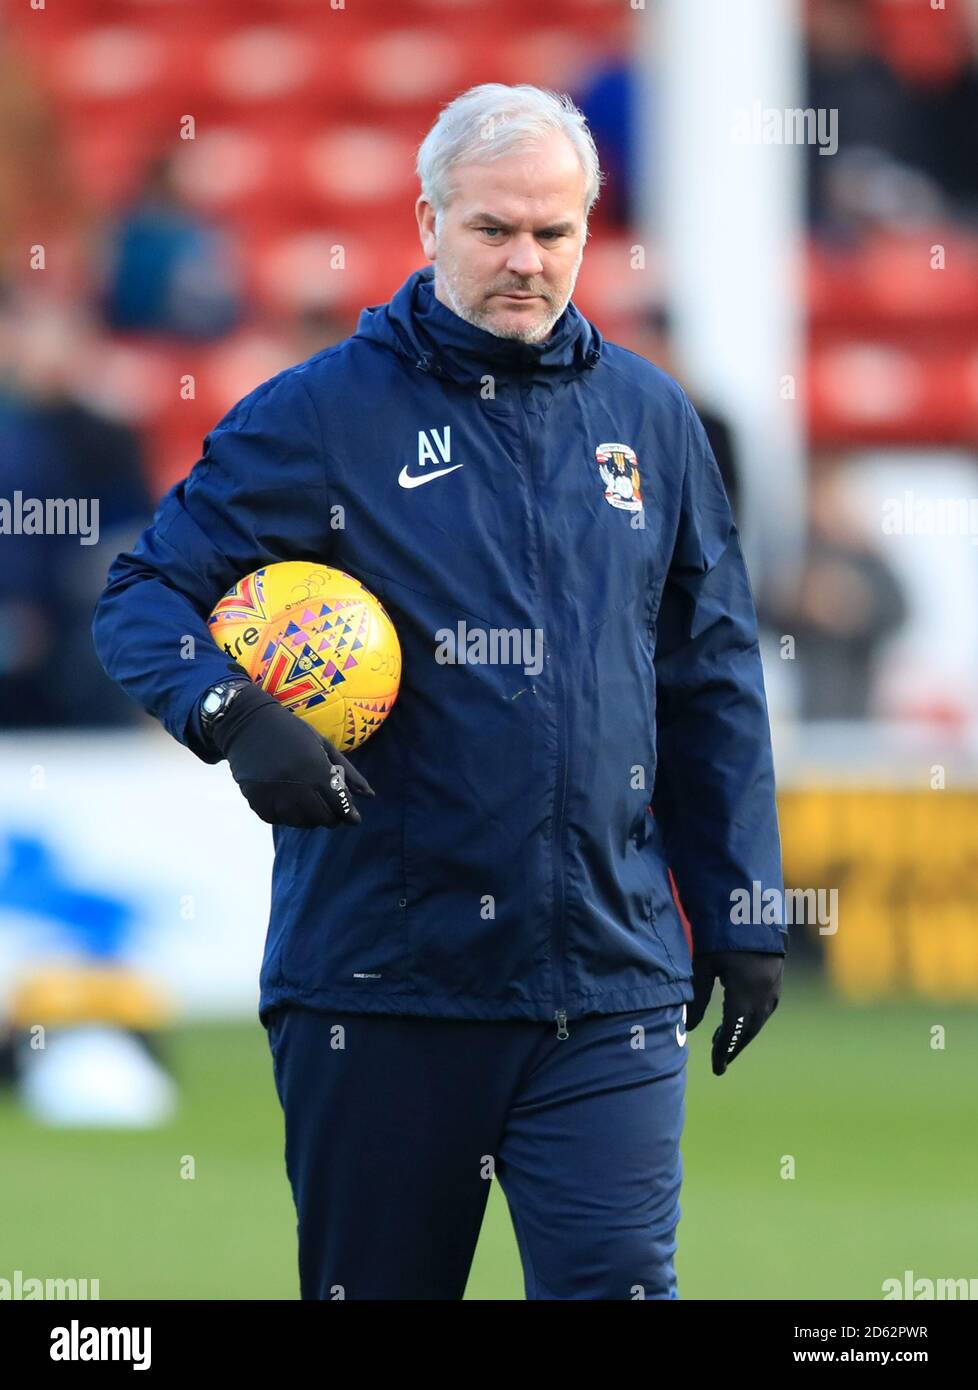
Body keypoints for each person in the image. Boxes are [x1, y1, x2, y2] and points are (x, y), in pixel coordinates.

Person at [92, 83, 786, 1301]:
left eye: (553, 233)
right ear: (427, 222)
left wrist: (742, 904)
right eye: (493, 230)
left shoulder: (651, 420)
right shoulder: (318, 416)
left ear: (590, 230)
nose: (527, 260)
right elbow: (142, 591)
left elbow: (710, 673)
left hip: (609, 981)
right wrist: (237, 716)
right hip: (381, 986)